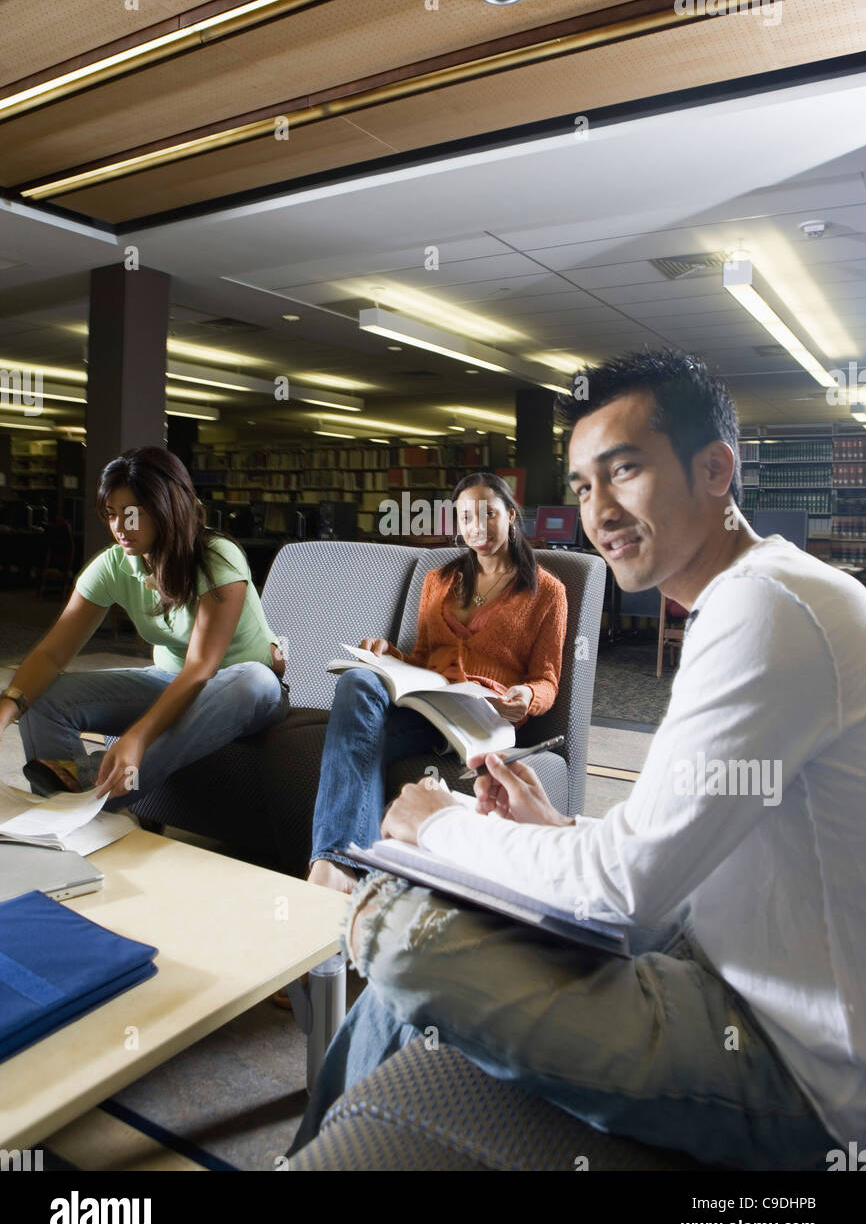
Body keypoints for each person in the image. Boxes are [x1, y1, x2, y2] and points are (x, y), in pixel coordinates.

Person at [293, 350, 866, 1171]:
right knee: (418, 949)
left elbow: (623, 895)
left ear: (715, 469)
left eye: (623, 471)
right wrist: (559, 825)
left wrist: (441, 823)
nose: (599, 511)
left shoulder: (765, 610)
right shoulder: (766, 594)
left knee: (395, 920)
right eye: (583, 485)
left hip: (799, 1073)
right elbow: (698, 845)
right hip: (723, 957)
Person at [307, 472, 568, 894]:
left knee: (356, 741)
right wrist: (388, 655)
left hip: (482, 718)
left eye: (488, 513)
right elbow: (421, 660)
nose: (477, 526)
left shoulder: (546, 592)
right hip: (428, 707)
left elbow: (547, 680)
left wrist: (527, 696)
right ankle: (342, 867)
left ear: (512, 515)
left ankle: (340, 868)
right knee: (358, 680)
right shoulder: (439, 581)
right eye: (466, 516)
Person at [0, 446, 289, 806]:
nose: (119, 527)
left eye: (131, 514)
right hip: (167, 682)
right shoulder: (114, 565)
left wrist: (136, 737)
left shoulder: (217, 557)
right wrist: (7, 707)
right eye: (111, 514)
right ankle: (69, 807)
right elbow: (50, 654)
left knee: (254, 678)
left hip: (242, 694)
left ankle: (83, 794)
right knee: (42, 697)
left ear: (167, 508)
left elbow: (201, 670)